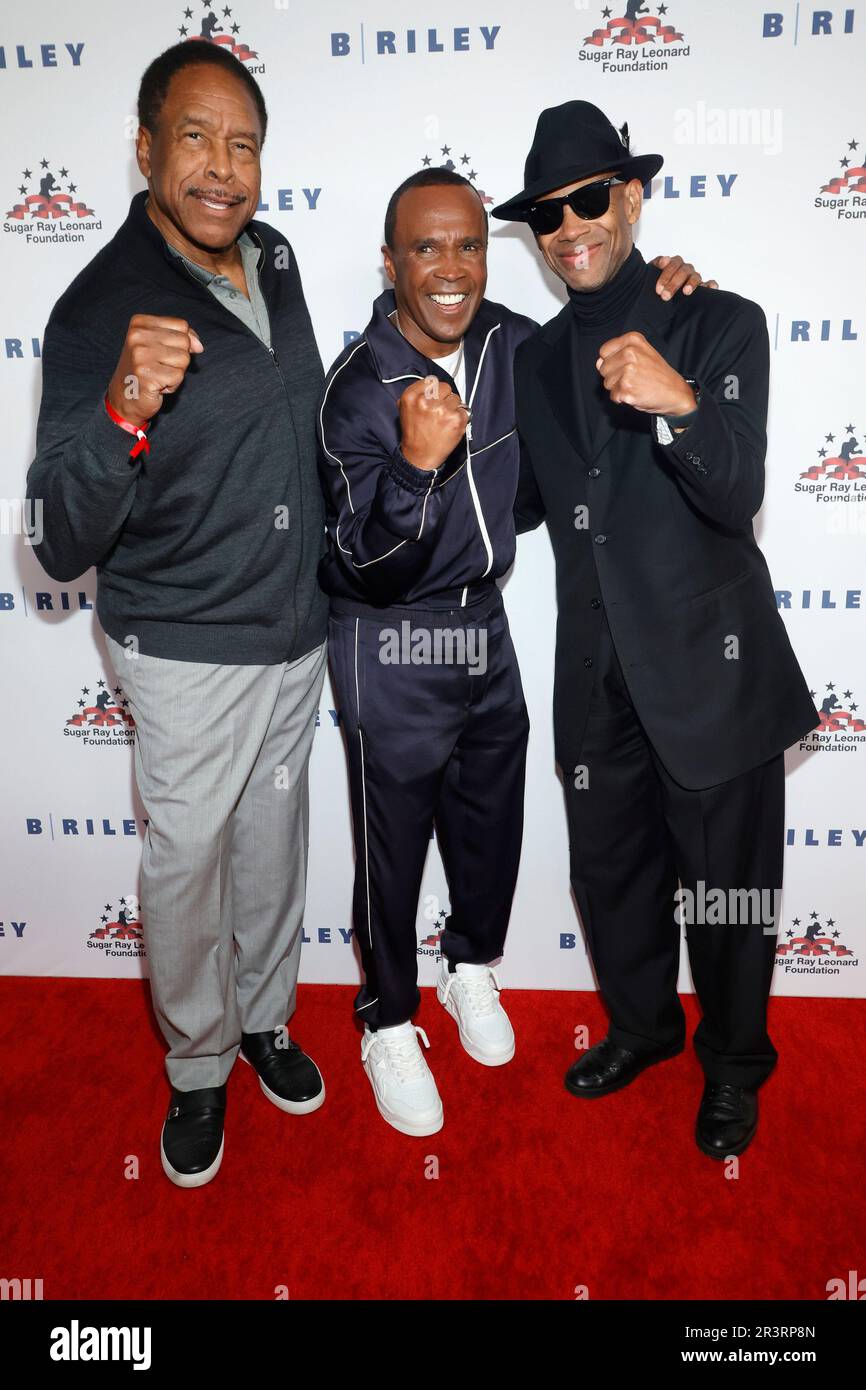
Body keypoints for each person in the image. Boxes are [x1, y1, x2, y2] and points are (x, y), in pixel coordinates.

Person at [317, 165, 705, 1137]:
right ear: (389, 261)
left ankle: (468, 966)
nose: (450, 268)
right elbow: (361, 564)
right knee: (392, 849)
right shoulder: (355, 388)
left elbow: (603, 378)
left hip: (481, 624)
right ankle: (388, 1018)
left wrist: (670, 298)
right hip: (388, 637)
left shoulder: (513, 343)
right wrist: (413, 469)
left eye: (468, 245)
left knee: (489, 817)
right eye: (425, 247)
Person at [26, 42, 328, 1188]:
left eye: (242, 143)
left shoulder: (278, 257)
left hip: (294, 635)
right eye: (194, 137)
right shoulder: (95, 306)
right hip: (187, 651)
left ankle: (263, 1021)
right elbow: (55, 537)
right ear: (144, 147)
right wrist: (118, 412)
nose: (221, 167)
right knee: (186, 867)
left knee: (269, 850)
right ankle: (198, 1066)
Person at [493, 100, 819, 1158]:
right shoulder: (532, 362)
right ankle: (640, 1027)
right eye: (547, 214)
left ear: (631, 198)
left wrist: (678, 404)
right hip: (594, 679)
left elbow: (734, 494)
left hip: (710, 677)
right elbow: (521, 506)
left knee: (727, 896)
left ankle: (732, 1064)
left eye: (590, 198)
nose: (570, 226)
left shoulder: (718, 320)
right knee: (613, 877)